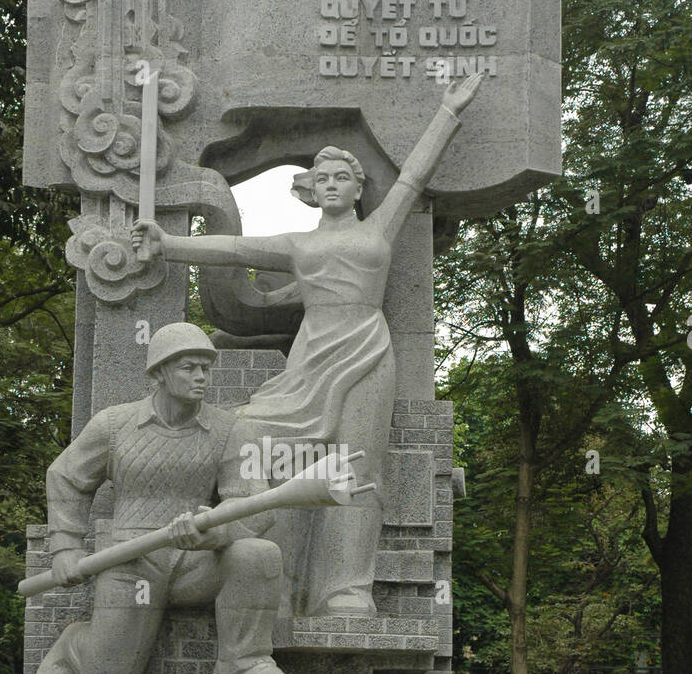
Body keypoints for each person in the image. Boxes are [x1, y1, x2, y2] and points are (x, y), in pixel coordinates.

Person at [133, 73, 485, 616]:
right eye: (322, 178)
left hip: (368, 349)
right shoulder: (297, 244)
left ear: (358, 186)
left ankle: (345, 591)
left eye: (343, 177)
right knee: (262, 441)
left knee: (357, 466)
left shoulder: (378, 229)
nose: (332, 185)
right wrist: (170, 243)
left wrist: (449, 110)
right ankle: (271, 576)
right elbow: (233, 247)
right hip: (311, 354)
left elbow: (414, 176)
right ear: (310, 190)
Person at [32, 323, 300, 674]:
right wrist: (65, 546)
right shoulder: (114, 425)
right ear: (159, 372)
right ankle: (73, 644)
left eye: (206, 368)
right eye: (189, 367)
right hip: (132, 560)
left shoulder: (232, 430)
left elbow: (254, 503)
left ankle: (243, 666)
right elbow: (66, 477)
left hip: (199, 562)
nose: (201, 377)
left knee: (258, 554)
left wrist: (218, 532)